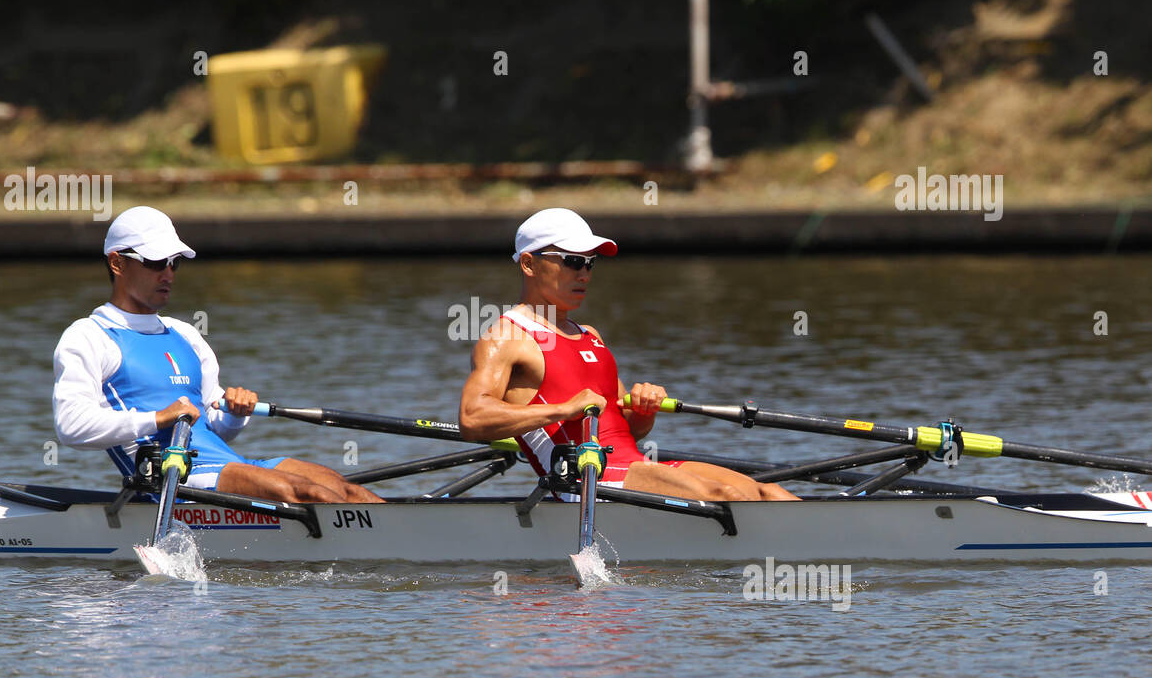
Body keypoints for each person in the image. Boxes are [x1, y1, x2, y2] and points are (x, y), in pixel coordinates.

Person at [458, 207, 797, 502]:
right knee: (727, 496)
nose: (584, 274)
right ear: (530, 264)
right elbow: (472, 418)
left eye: (590, 264)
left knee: (768, 493)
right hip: (584, 480)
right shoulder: (506, 335)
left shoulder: (589, 335)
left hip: (631, 467)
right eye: (573, 261)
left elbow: (626, 430)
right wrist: (563, 409)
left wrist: (644, 409)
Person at [53, 205, 379, 504]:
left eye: (173, 263)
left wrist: (236, 412)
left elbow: (215, 426)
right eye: (154, 263)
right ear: (117, 263)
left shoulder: (185, 334)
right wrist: (158, 418)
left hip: (227, 465)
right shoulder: (89, 337)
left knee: (345, 490)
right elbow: (71, 426)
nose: (168, 274)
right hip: (173, 479)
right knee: (308, 494)